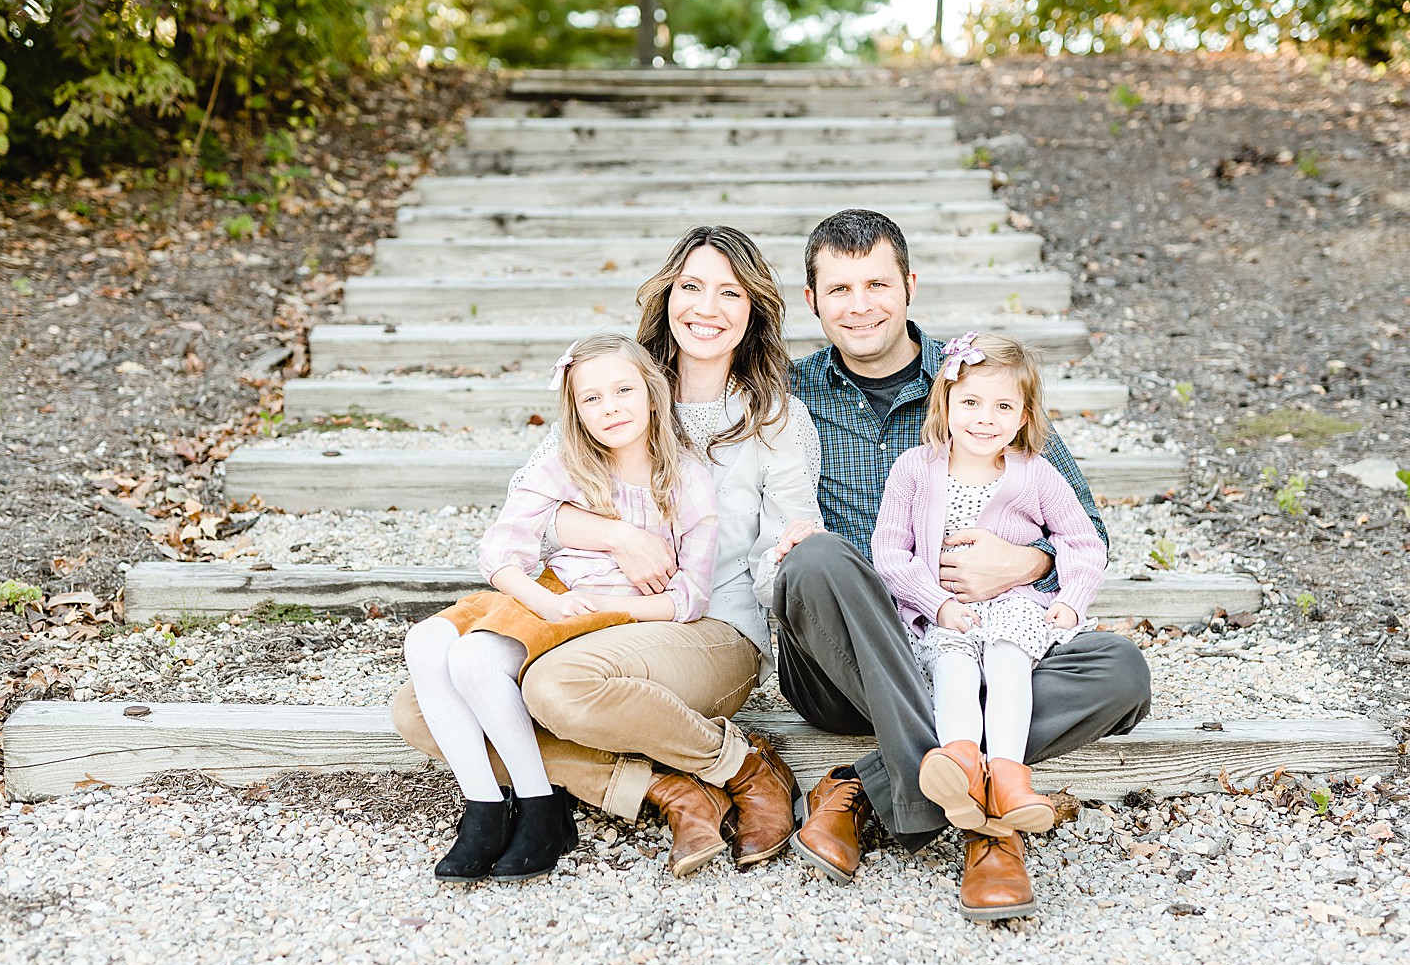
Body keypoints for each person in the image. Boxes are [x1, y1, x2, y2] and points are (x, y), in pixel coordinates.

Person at [392, 225, 824, 878]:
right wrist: (619, 535)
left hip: (710, 622)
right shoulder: (617, 385)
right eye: (691, 287)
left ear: (754, 308)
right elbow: (528, 513)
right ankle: (662, 788)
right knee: (418, 706)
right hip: (587, 607)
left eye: (729, 292)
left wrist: (780, 559)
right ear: (667, 295)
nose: (707, 307)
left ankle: (739, 764)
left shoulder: (776, 417)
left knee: (556, 686)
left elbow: (794, 546)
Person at [777, 209, 1151, 920]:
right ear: (812, 300)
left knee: (1123, 673)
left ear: (910, 285)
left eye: (878, 283)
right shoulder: (790, 396)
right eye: (840, 289)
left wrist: (1023, 561)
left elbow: (1083, 530)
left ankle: (874, 787)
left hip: (977, 642)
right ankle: (992, 826)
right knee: (817, 558)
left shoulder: (980, 382)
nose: (861, 305)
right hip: (848, 652)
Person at [402, 331, 720, 884]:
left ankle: (541, 809)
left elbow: (690, 596)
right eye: (591, 398)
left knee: (474, 662)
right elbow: (499, 551)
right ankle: (484, 806)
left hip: (615, 613)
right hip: (551, 594)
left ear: (652, 392)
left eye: (623, 390)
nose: (610, 408)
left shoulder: (686, 478)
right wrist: (544, 602)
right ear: (574, 409)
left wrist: (598, 605)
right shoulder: (565, 463)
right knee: (424, 643)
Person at [871, 331, 1107, 842]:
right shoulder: (914, 469)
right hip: (947, 610)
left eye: (1003, 406)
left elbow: (1083, 541)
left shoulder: (1036, 475)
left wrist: (1070, 600)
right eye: (971, 402)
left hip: (1015, 605)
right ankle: (959, 761)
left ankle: (1006, 775)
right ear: (946, 403)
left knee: (1008, 664)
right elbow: (890, 553)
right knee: (953, 667)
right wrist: (935, 605)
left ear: (1023, 417)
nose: (985, 418)